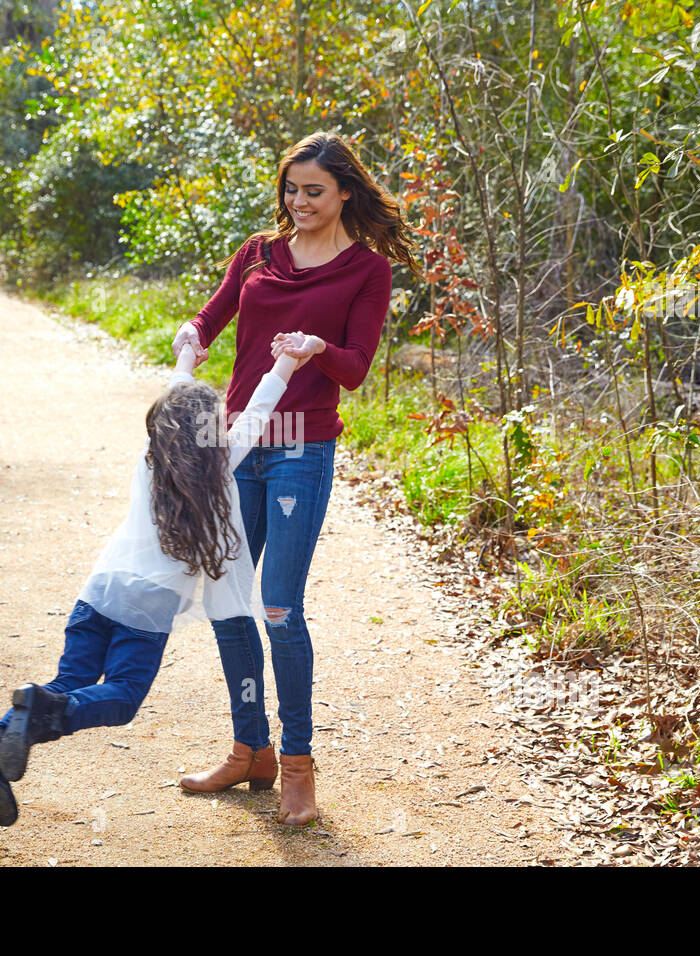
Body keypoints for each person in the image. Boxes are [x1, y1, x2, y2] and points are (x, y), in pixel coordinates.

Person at [172, 131, 421, 826]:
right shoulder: (257, 253)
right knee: (227, 598)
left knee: (278, 605)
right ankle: (249, 748)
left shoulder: (366, 271)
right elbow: (213, 316)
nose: (299, 202)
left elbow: (357, 367)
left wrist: (318, 350)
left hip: (302, 447)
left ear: (345, 191)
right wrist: (192, 335)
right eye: (291, 189)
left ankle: (298, 769)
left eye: (314, 191)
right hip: (238, 443)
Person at [0, 340, 308, 827]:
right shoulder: (218, 464)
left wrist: (186, 359)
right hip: (145, 607)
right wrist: (287, 362)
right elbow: (257, 412)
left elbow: (176, 398)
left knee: (71, 683)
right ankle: (42, 708)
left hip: (98, 591)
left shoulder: (151, 455)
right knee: (122, 697)